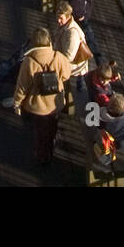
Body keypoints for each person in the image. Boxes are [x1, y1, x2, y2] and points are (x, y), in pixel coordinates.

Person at [11, 27, 73, 165]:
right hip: (55, 105)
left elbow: (22, 86)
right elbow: (67, 75)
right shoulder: (58, 57)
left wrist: (17, 103)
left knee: (39, 134)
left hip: (37, 107)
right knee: (51, 129)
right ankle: (51, 147)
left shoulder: (29, 61)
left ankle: (42, 156)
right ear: (49, 41)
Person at [53, 0, 92, 99]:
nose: (58, 20)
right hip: (73, 62)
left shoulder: (72, 33)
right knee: (80, 82)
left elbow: (69, 57)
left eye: (61, 18)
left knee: (78, 85)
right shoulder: (64, 25)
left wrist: (54, 60)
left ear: (68, 16)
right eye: (57, 17)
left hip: (74, 64)